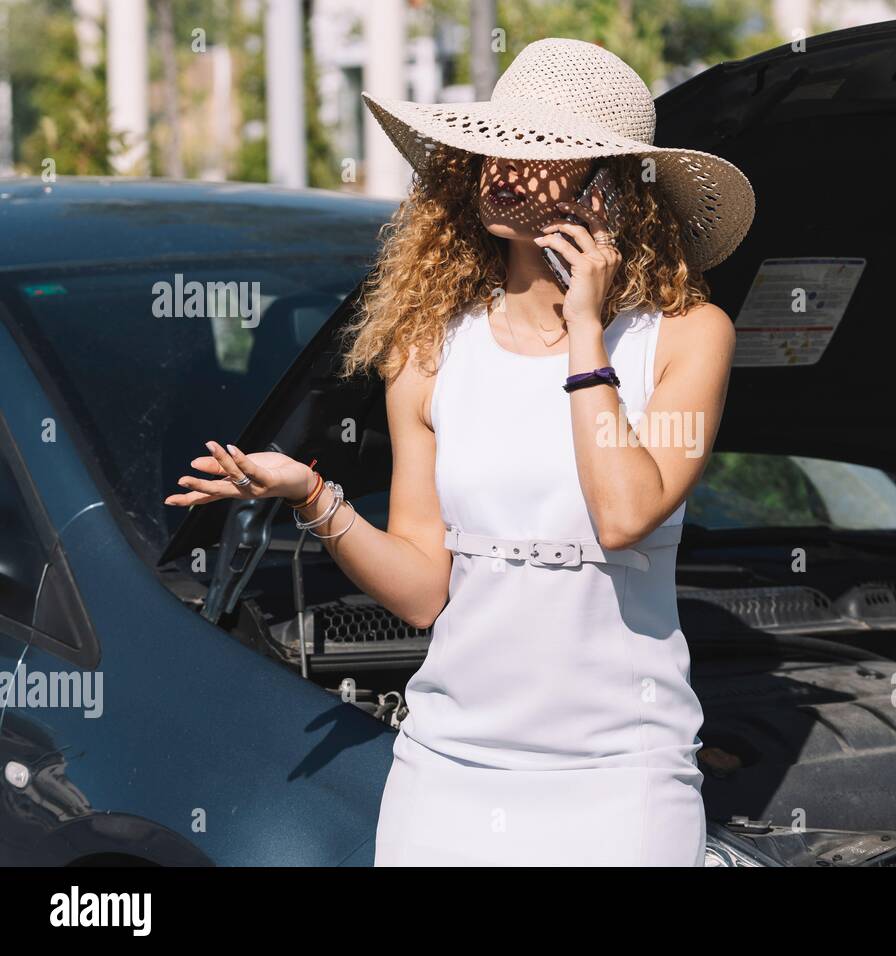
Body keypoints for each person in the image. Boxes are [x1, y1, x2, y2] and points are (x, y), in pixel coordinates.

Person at [164, 37, 755, 866]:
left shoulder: (685, 338)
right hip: (448, 773)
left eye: (539, 151)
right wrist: (313, 497)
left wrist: (586, 333)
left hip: (622, 780)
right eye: (495, 145)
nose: (504, 167)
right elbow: (421, 593)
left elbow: (624, 514)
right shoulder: (428, 348)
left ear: (614, 189)